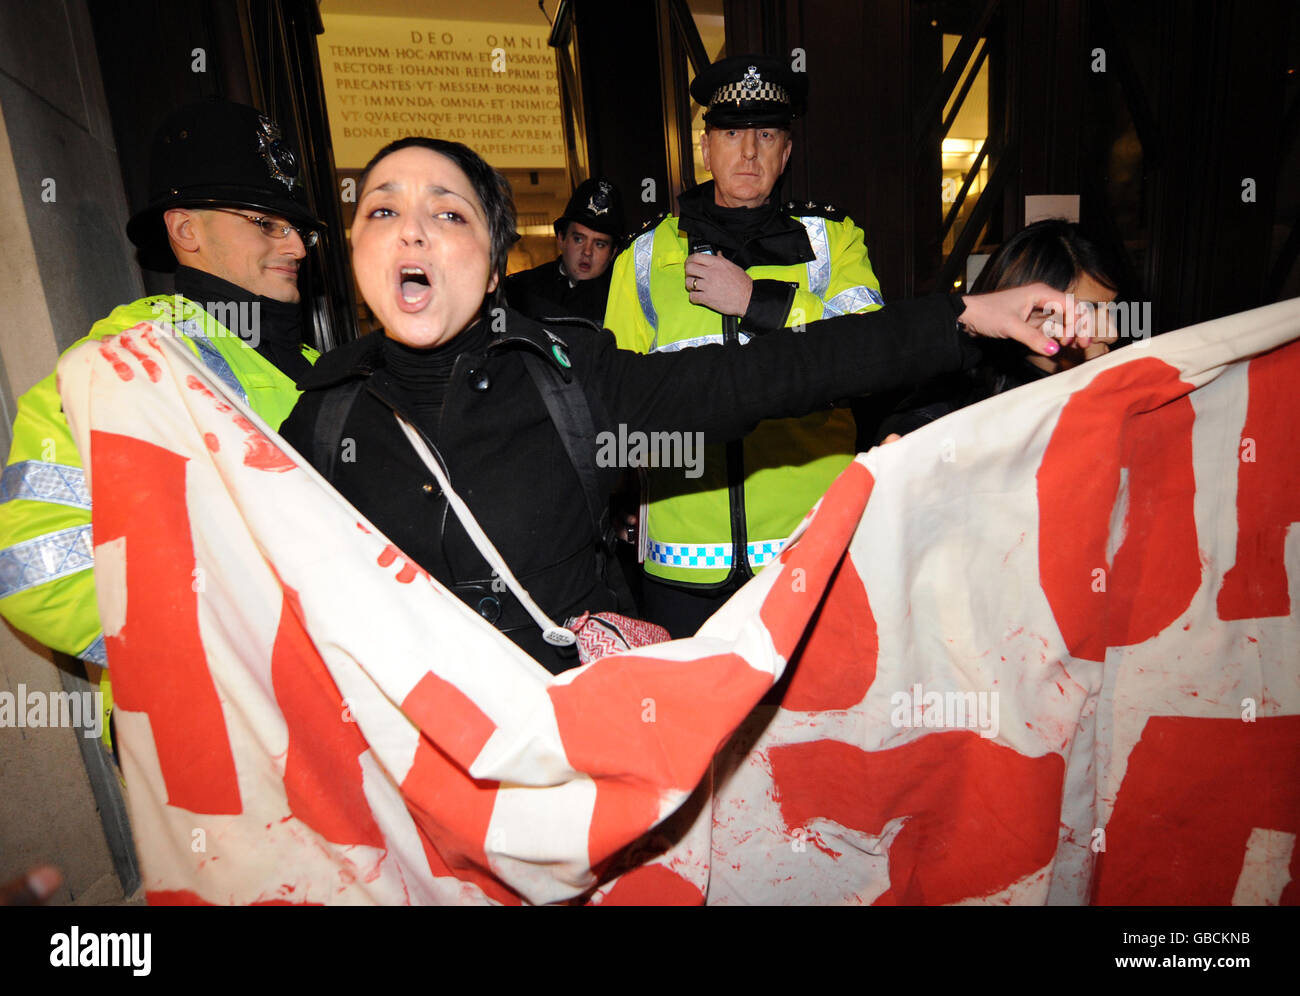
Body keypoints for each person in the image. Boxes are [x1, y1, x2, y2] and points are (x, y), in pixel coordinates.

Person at [278, 136, 1088, 675]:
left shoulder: (570, 378)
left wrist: (966, 315)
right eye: (382, 209)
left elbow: (776, 373)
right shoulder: (317, 421)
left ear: (494, 267)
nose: (411, 231)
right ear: (354, 251)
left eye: (446, 213)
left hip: (572, 760)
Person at [0, 98, 323, 675]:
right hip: (219, 746)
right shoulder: (127, 363)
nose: (296, 246)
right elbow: (35, 569)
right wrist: (234, 658)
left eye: (297, 228)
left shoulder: (314, 364)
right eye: (266, 224)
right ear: (185, 229)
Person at [603, 54, 886, 638]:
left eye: (766, 134)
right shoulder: (644, 256)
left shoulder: (833, 240)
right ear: (705, 149)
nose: (749, 151)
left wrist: (762, 302)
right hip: (682, 558)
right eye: (731, 133)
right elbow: (613, 402)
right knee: (696, 725)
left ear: (787, 152)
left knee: (817, 720)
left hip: (808, 546)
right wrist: (624, 491)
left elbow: (872, 354)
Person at [876, 219, 1128, 440]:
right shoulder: (946, 415)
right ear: (1027, 309)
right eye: (1086, 311)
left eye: (1110, 309)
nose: (1112, 332)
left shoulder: (1115, 387)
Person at [505, 177, 624, 323]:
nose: (587, 252)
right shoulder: (520, 292)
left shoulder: (625, 299)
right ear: (561, 238)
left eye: (599, 244)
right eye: (579, 239)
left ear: (613, 252)